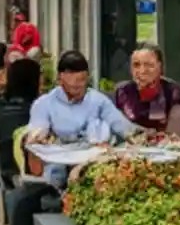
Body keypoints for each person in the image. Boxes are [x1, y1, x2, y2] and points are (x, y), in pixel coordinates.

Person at [25, 50, 140, 188]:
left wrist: (139, 136)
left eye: (82, 81)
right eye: (73, 83)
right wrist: (38, 137)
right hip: (60, 160)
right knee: (54, 175)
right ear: (60, 78)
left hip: (93, 159)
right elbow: (38, 129)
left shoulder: (98, 101)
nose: (78, 87)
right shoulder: (44, 103)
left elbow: (121, 125)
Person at [114, 43, 180, 137]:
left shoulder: (172, 93)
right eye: (136, 65)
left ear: (160, 67)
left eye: (149, 65)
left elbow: (175, 138)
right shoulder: (123, 92)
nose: (142, 71)